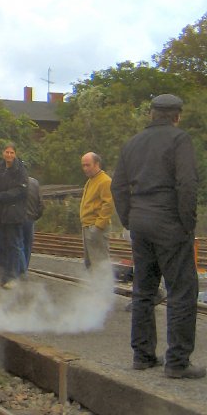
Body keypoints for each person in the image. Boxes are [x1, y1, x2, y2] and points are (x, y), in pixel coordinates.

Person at [111, 94, 203, 379]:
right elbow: (187, 184)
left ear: (151, 115)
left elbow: (118, 187)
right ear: (177, 116)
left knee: (143, 289)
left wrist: (130, 218)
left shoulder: (132, 143)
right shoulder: (179, 140)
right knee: (182, 291)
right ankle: (176, 362)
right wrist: (187, 223)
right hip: (169, 223)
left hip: (140, 223)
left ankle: (142, 355)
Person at [0, 142, 28, 289]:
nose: (9, 155)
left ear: (15, 154)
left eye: (12, 153)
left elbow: (21, 190)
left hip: (13, 213)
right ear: (3, 153)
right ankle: (0, 275)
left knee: (13, 245)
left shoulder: (21, 170)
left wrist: (3, 196)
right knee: (1, 245)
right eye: (7, 152)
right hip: (0, 212)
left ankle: (13, 277)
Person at [79, 152, 113, 270]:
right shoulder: (90, 181)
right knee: (90, 263)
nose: (85, 168)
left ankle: (103, 287)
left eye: (88, 165)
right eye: (83, 165)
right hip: (87, 226)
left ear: (97, 164)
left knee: (99, 262)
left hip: (96, 227)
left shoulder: (104, 181)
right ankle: (95, 287)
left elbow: (108, 204)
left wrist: (98, 226)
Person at [21, 176, 43, 275]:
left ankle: (21, 271)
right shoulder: (35, 182)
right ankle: (24, 269)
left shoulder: (14, 181)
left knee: (17, 244)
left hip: (17, 218)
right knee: (27, 245)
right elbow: (41, 204)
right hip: (30, 218)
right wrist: (35, 216)